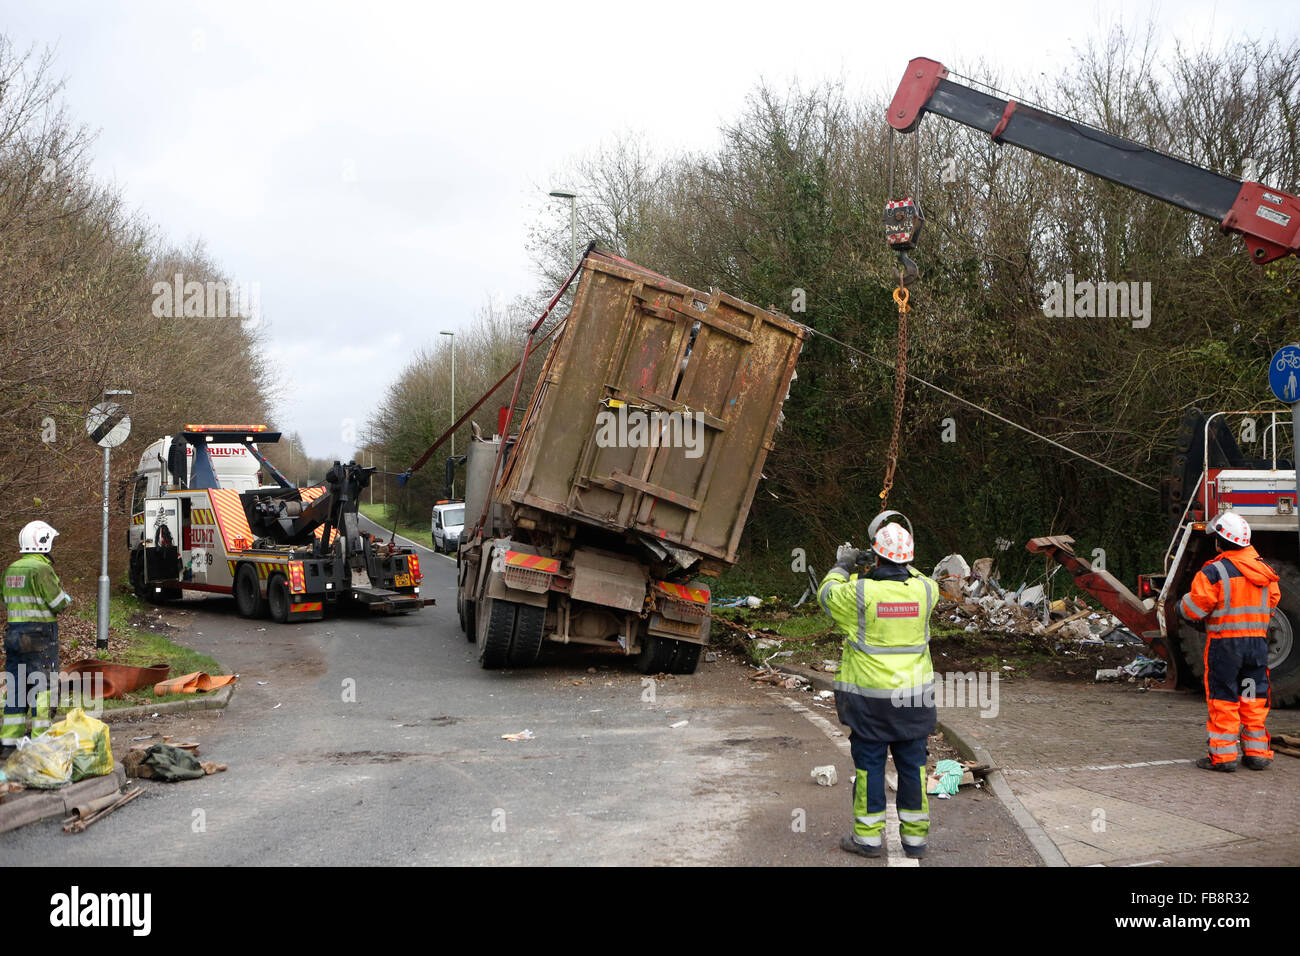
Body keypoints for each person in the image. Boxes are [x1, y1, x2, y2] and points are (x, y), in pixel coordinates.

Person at [819, 520, 938, 859]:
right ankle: (915, 840)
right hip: (914, 700)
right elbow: (912, 577)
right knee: (913, 767)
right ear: (909, 558)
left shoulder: (859, 593)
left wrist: (844, 564)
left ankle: (868, 839)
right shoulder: (927, 591)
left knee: (869, 768)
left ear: (875, 556)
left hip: (870, 703)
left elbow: (826, 593)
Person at [1179, 511, 1280, 772]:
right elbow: (1272, 602)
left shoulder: (1214, 572)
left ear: (1221, 542)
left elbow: (1195, 609)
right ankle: (1257, 754)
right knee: (1254, 697)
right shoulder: (1265, 571)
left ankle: (1223, 757)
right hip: (1256, 645)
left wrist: (1180, 606)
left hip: (1226, 646)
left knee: (1224, 698)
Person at [2, 521, 72, 747]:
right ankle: (41, 741)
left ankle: (9, 741)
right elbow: (57, 603)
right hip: (40, 635)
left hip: (14, 634)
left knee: (16, 685)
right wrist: (66, 598)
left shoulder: (11, 569)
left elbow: (6, 600)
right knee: (43, 686)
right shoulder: (42, 569)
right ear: (44, 542)